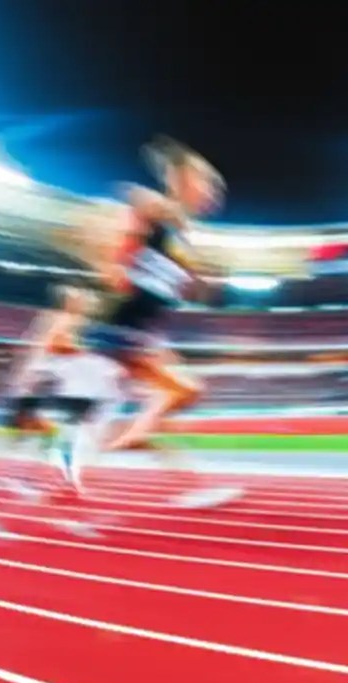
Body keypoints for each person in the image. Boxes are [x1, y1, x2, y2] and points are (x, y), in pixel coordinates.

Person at [82, 136, 220, 451]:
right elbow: (130, 199)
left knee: (173, 393)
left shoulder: (181, 232)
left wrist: (196, 281)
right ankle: (124, 438)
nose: (211, 193)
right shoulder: (160, 210)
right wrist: (112, 259)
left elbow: (175, 280)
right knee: (182, 391)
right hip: (123, 325)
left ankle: (115, 439)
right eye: (207, 183)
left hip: (143, 330)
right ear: (183, 181)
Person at [1, 284, 124, 494]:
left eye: (84, 301)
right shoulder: (59, 319)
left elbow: (57, 349)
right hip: (42, 380)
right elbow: (53, 346)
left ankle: (66, 476)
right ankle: (23, 474)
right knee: (41, 431)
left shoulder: (72, 323)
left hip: (55, 381)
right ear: (68, 301)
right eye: (79, 300)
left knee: (65, 431)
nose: (84, 305)